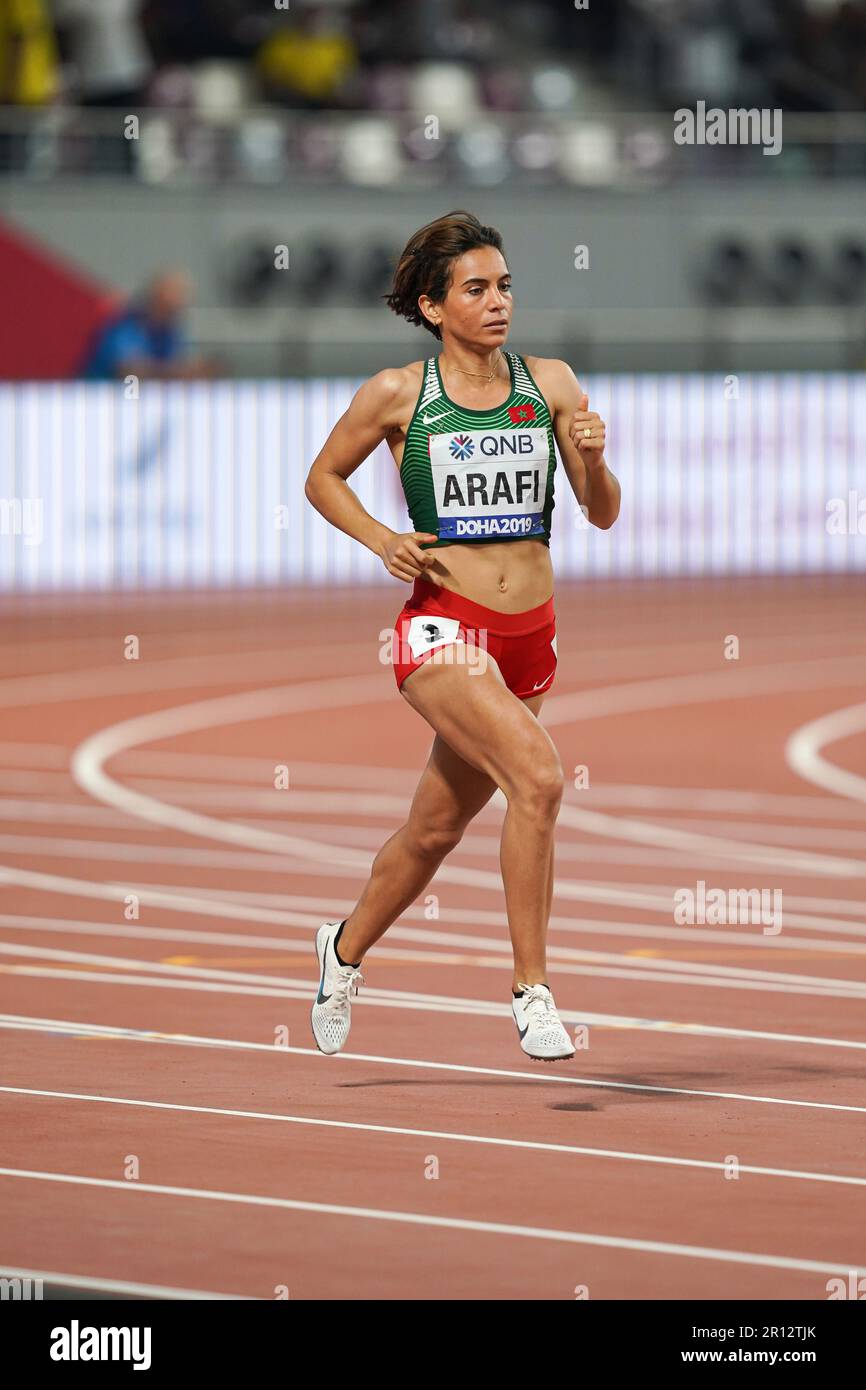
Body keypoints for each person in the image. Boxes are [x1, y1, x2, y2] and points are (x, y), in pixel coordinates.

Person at [304, 210, 621, 1062]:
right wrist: (382, 539)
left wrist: (590, 456)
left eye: (505, 285)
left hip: (532, 640)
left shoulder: (549, 383)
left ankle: (342, 949)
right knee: (540, 779)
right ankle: (533, 994)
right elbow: (322, 478)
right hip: (444, 630)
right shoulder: (398, 395)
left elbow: (601, 512)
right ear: (434, 305)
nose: (497, 302)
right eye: (476, 289)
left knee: (434, 831)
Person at [79, 270, 211, 380]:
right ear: (156, 298)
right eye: (171, 303)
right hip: (100, 400)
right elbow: (128, 371)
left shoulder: (170, 332)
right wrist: (176, 372)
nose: (177, 308)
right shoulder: (125, 323)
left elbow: (180, 365)